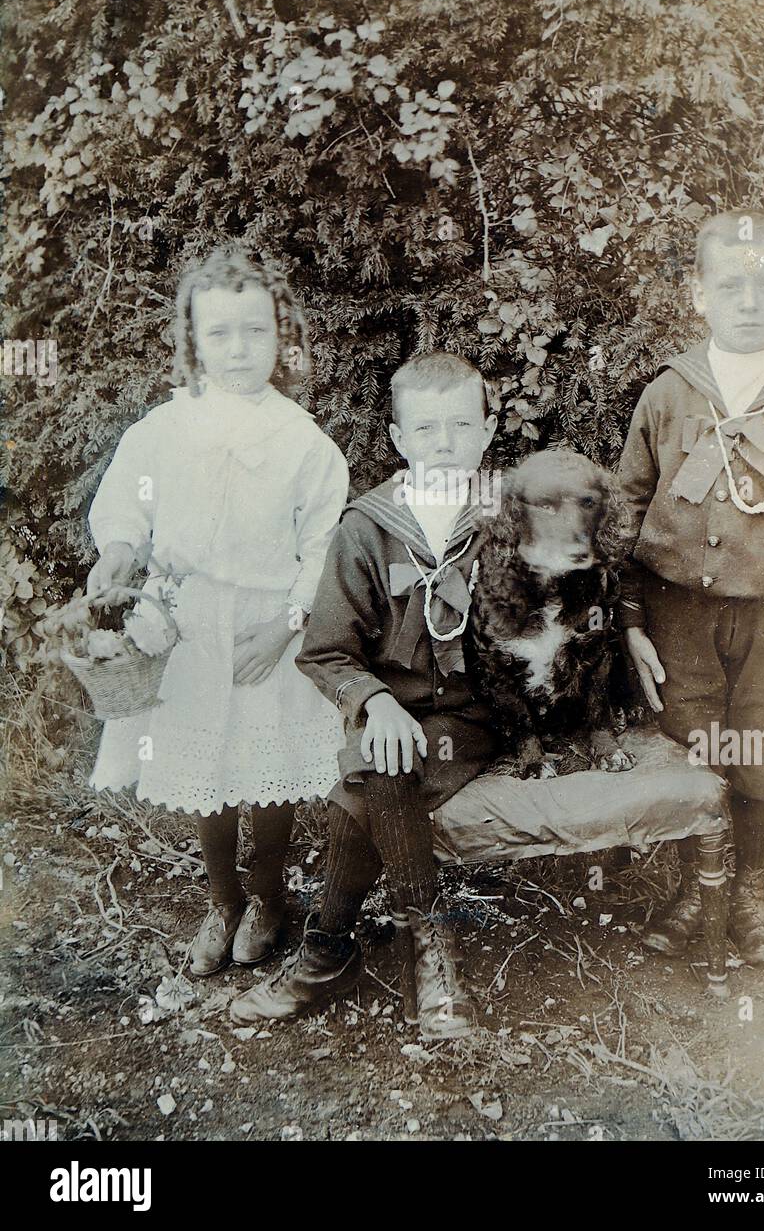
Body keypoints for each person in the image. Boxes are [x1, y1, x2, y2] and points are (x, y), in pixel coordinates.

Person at [86, 246, 349, 977]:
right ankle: (223, 897)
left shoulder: (303, 442)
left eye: (255, 332)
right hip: (186, 624)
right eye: (220, 334)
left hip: (270, 626)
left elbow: (321, 549)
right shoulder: (162, 432)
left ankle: (268, 897)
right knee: (205, 765)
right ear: (192, 342)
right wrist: (116, 551)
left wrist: (287, 625)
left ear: (281, 335)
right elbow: (125, 507)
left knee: (265, 765)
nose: (239, 350)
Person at [231, 351, 501, 1038]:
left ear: (486, 432)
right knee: (382, 755)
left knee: (370, 774)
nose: (444, 445)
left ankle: (327, 954)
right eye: (427, 430)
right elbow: (324, 649)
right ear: (399, 438)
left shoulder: (504, 523)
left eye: (460, 428)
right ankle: (429, 947)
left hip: (473, 716)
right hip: (388, 708)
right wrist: (375, 701)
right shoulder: (367, 528)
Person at [616, 210, 764, 963]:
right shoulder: (666, 394)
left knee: (761, 748)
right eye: (729, 286)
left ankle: (748, 893)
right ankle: (697, 889)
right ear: (697, 295)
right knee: (691, 744)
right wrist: (627, 618)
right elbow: (625, 504)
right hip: (675, 614)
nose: (747, 303)